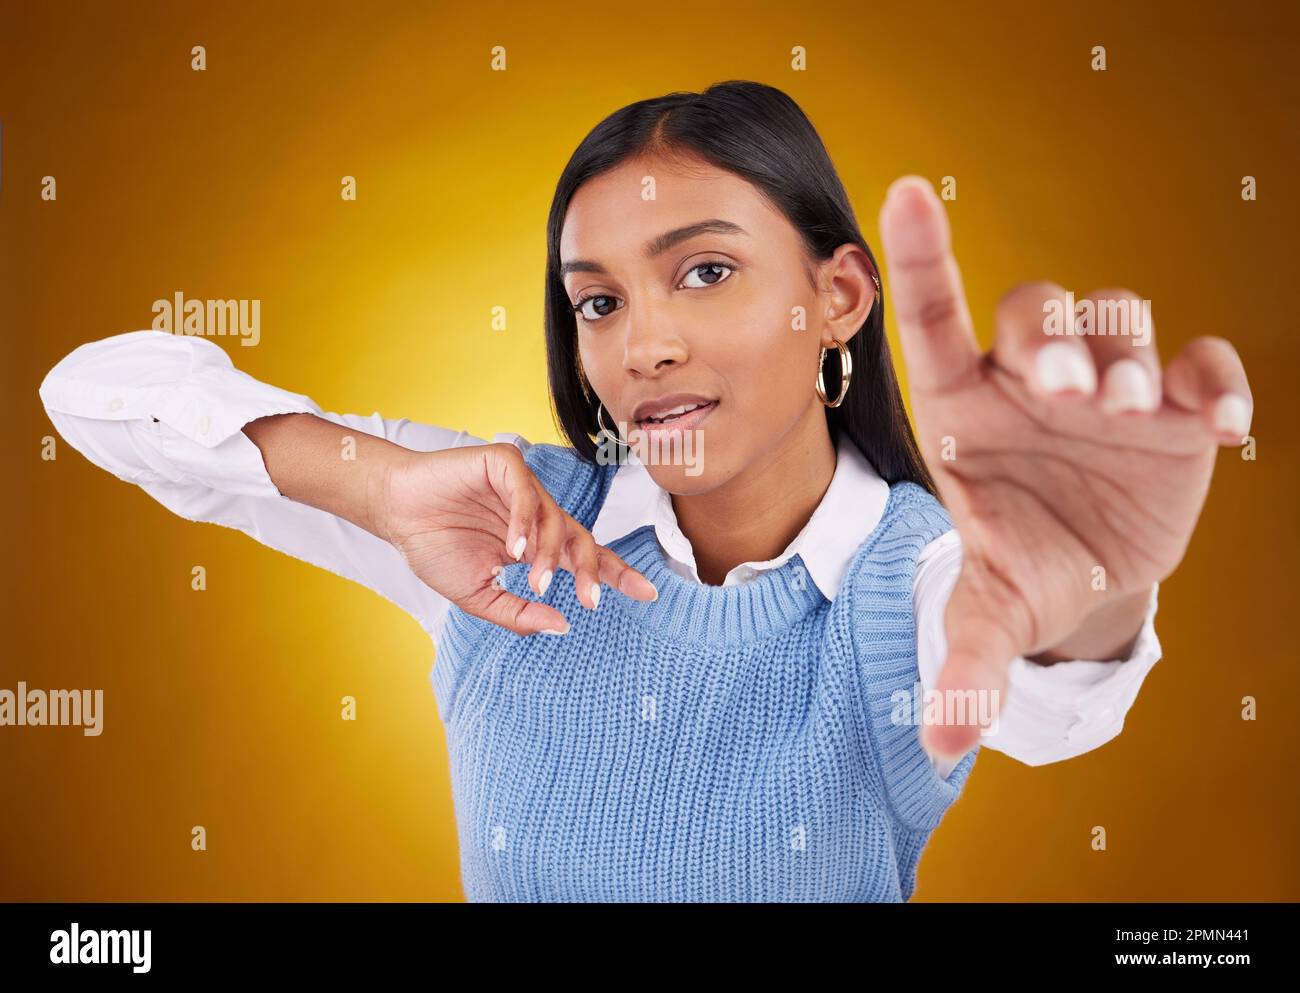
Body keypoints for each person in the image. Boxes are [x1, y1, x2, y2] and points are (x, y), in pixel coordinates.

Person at [38, 81, 1250, 901]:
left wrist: (1085, 586)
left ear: (836, 299)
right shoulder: (501, 522)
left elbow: (1044, 697)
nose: (640, 347)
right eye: (598, 301)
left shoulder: (912, 579)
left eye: (705, 272)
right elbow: (93, 394)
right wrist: (381, 482)